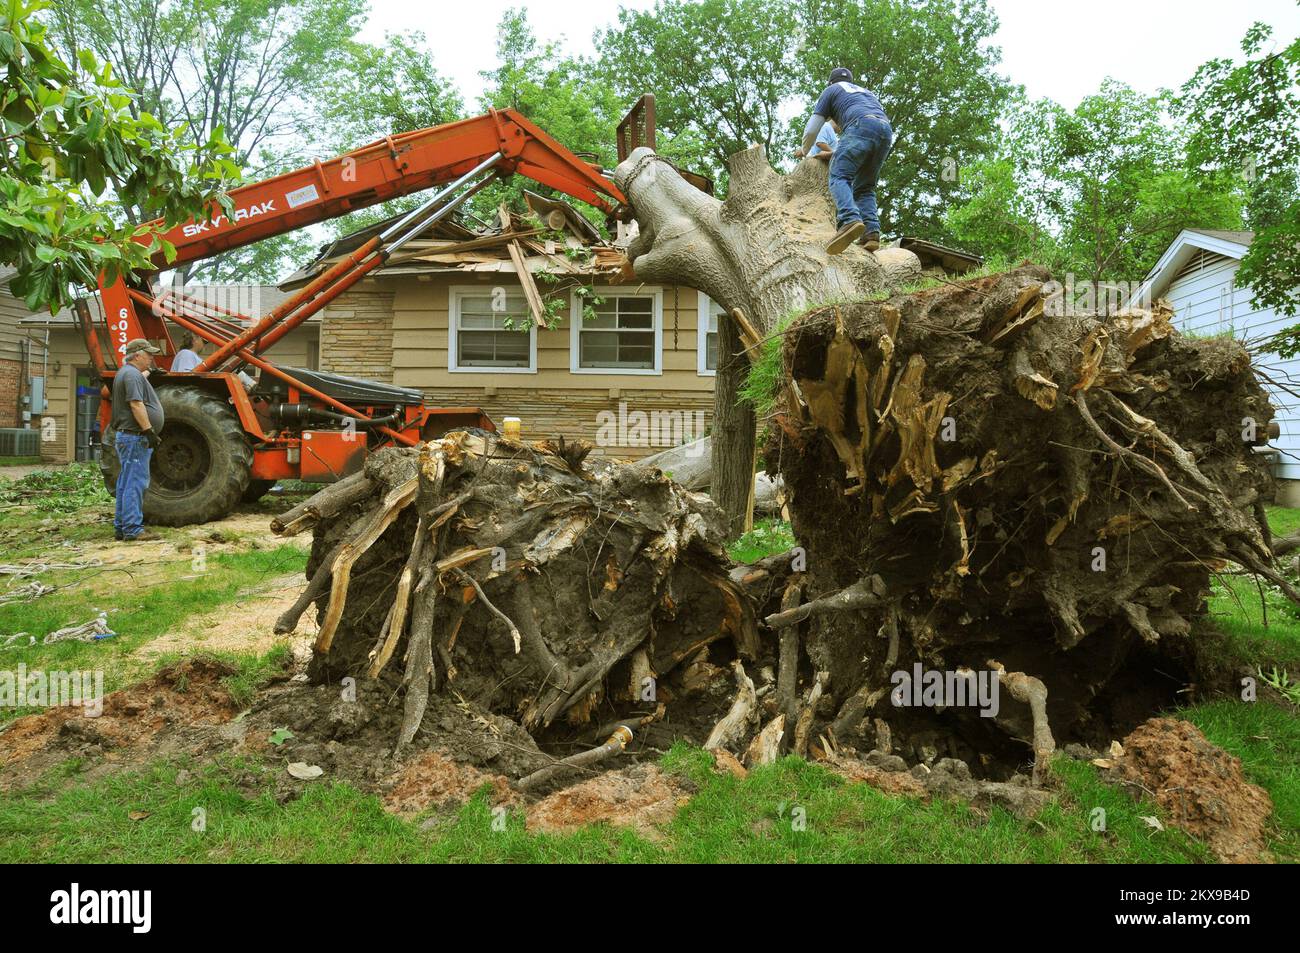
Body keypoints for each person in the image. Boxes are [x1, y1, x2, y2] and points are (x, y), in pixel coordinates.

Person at [795, 67, 893, 255]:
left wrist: (804, 150)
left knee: (839, 175)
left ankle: (849, 219)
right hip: (885, 131)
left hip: (860, 125)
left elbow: (812, 128)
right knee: (865, 187)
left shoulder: (831, 90)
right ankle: (871, 233)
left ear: (831, 82)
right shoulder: (866, 93)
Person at [111, 338, 166, 542]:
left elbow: (136, 379)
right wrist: (149, 431)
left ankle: (122, 527)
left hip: (128, 436)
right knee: (136, 483)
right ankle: (133, 529)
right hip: (135, 437)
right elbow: (136, 404)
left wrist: (150, 373)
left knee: (125, 483)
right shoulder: (132, 375)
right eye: (148, 354)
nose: (151, 358)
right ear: (137, 355)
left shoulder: (127, 373)